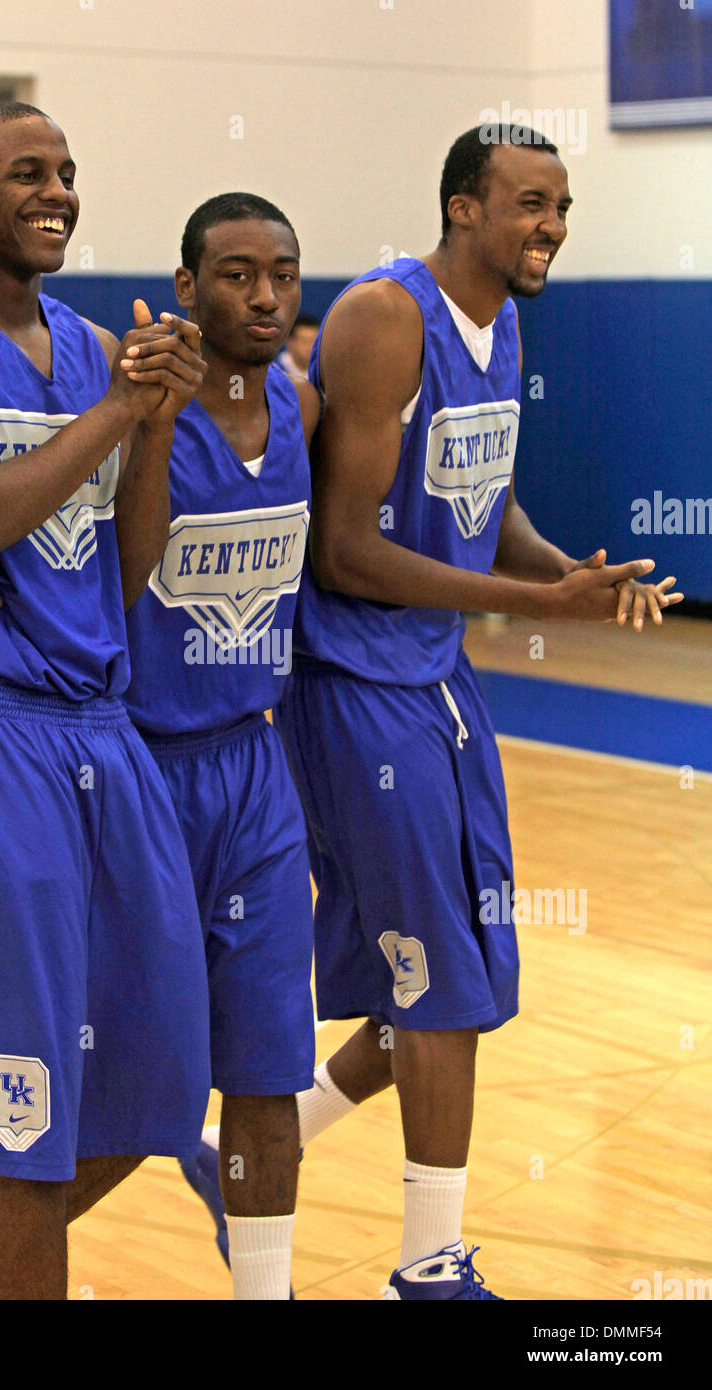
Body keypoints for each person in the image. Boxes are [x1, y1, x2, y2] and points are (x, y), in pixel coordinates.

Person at [0, 193, 321, 1301]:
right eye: (237, 273)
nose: (263, 295)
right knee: (40, 1081)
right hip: (87, 745)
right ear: (187, 283)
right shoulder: (20, 359)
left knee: (185, 1070)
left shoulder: (290, 403)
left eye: (284, 275)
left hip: (227, 756)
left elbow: (321, 556)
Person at [273, 124, 682, 1301]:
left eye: (561, 207)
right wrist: (530, 600)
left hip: (438, 681)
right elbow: (346, 553)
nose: (551, 225)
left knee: (464, 977)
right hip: (354, 682)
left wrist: (568, 573)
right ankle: (428, 1265)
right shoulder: (383, 319)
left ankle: (271, 1135)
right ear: (465, 208)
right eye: (530, 204)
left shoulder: (505, 321)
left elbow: (478, 494)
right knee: (437, 983)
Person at [276, 313, 319, 383]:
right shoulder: (272, 373)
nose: (311, 347)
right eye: (305, 341)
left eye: (315, 342)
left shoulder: (322, 374)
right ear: (289, 342)